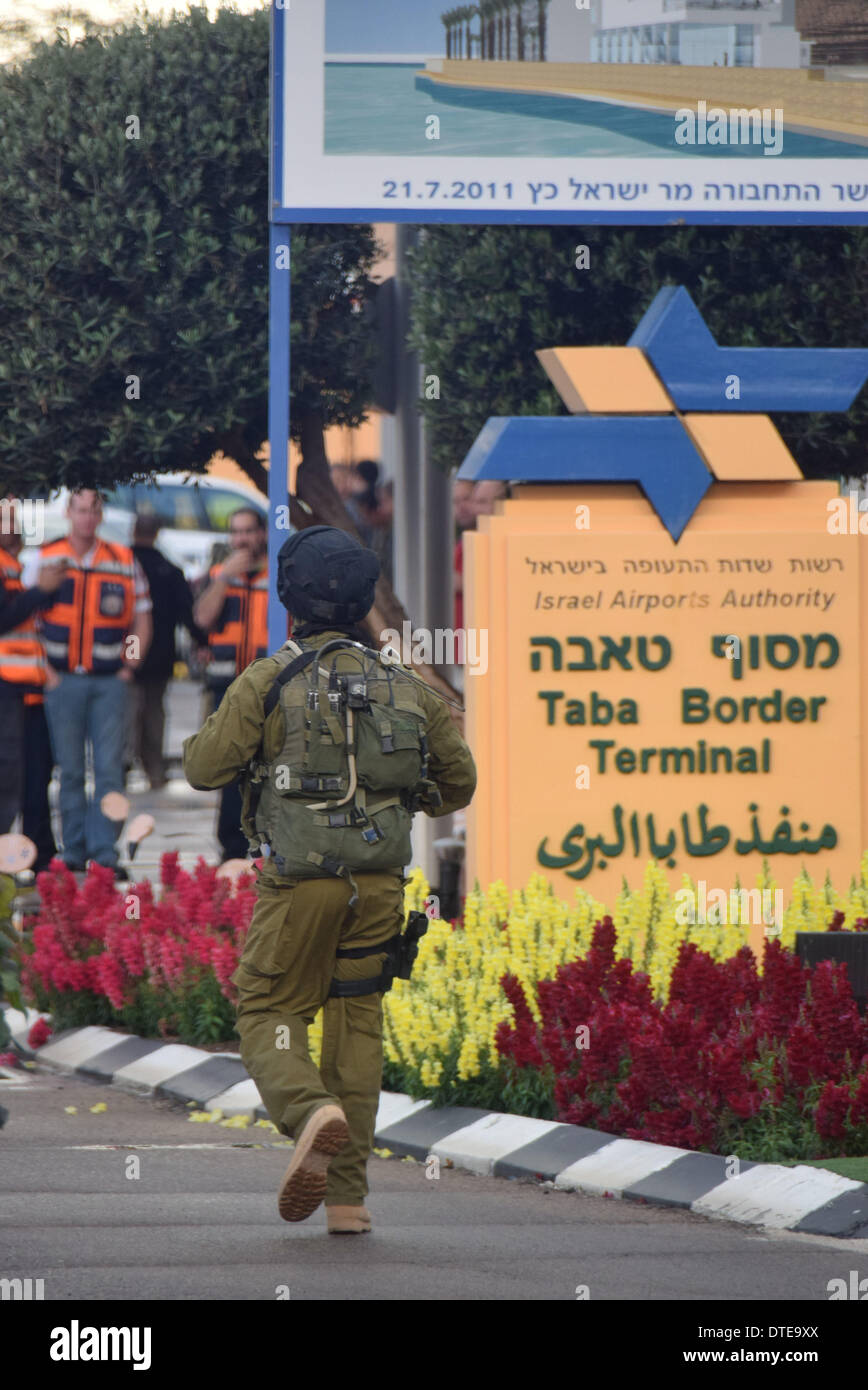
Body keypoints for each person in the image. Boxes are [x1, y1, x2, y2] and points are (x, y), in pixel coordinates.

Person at [183, 526, 476, 1234]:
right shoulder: (407, 687)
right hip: (380, 886)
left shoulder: (269, 677)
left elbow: (203, 769)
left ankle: (310, 1110)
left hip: (299, 883)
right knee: (356, 1024)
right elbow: (456, 784)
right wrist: (402, 800)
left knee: (266, 1008)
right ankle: (348, 1202)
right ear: (362, 602)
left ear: (291, 599)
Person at [37, 489, 152, 879]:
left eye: (93, 510)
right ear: (69, 512)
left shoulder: (122, 559)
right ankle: (73, 851)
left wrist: (129, 664)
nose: (87, 518)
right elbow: (28, 619)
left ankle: (105, 853)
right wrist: (47, 672)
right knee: (68, 771)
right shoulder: (47, 557)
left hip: (109, 683)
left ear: (101, 515)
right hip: (63, 680)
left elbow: (141, 617)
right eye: (80, 510)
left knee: (108, 771)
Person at [193, 506, 270, 861]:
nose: (241, 540)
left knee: (267, 766)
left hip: (269, 687)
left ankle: (267, 841)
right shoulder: (218, 576)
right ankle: (232, 848)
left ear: (263, 534)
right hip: (227, 686)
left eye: (248, 531)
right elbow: (202, 620)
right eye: (235, 532)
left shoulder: (278, 575)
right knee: (230, 766)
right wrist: (223, 580)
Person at [0, 500, 66, 868]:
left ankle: (34, 851)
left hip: (29, 688)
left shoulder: (14, 566)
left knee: (34, 771)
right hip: (7, 687)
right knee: (10, 773)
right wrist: (40, 591)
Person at [127, 514, 206, 789]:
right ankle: (154, 769)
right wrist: (202, 641)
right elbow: (187, 614)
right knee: (154, 710)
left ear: (133, 530)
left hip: (130, 647)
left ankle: (124, 764)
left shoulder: (123, 565)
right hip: (160, 650)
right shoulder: (169, 570)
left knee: (129, 707)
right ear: (157, 533)